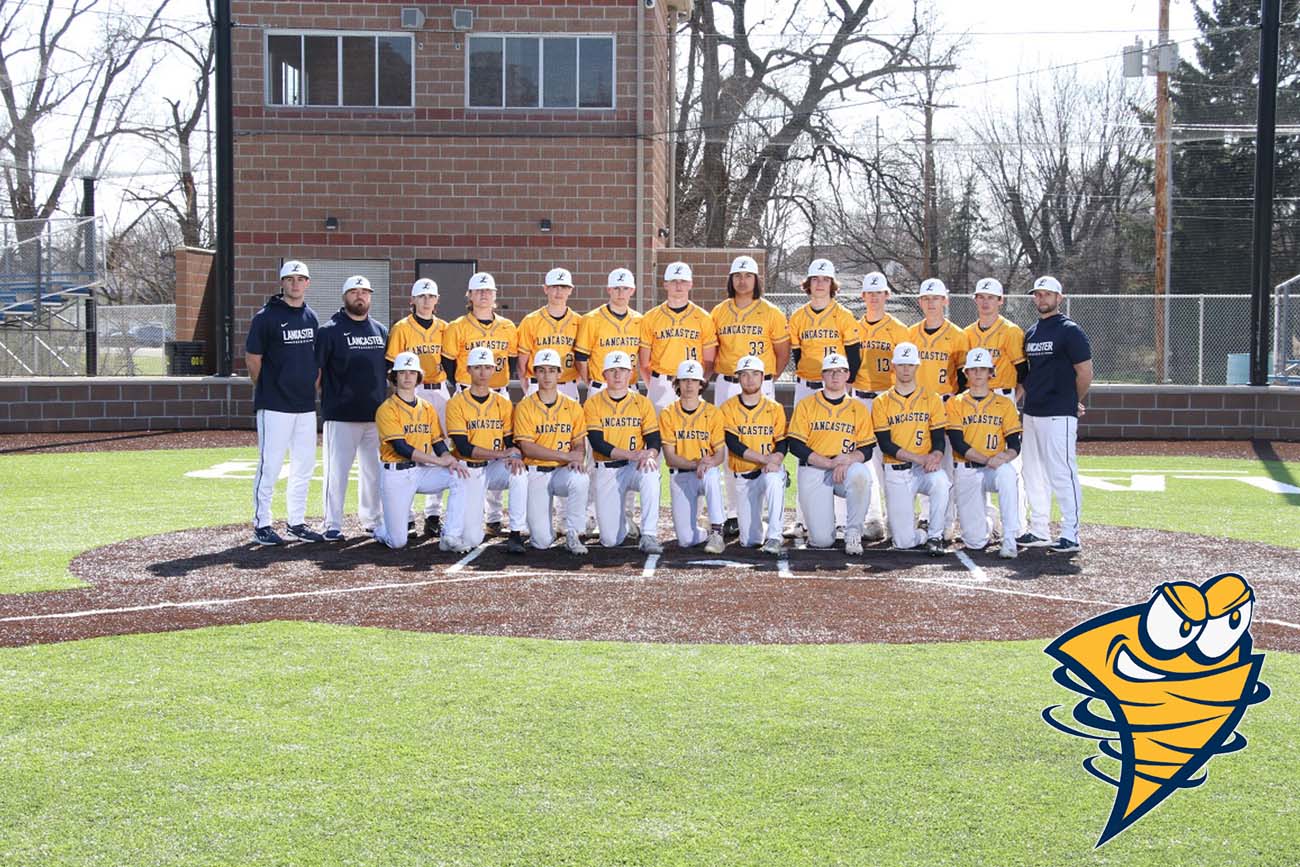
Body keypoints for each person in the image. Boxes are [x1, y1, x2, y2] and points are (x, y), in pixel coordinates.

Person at [710, 254, 789, 538]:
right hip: (727, 382)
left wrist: (766, 380)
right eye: (737, 276)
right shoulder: (719, 312)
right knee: (727, 446)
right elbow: (712, 351)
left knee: (763, 441)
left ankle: (766, 509)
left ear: (756, 280)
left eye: (748, 276)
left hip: (760, 384)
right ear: (730, 280)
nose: (742, 281)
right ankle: (734, 512)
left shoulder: (771, 312)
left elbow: (782, 354)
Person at [245, 259, 321, 546]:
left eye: (300, 279)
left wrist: (310, 388)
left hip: (304, 406)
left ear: (307, 283)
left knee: (304, 466)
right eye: (290, 279)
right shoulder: (265, 317)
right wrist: (268, 387)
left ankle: (296, 522)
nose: (295, 284)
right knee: (271, 466)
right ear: (282, 283)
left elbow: (315, 360)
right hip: (275, 404)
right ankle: (262, 524)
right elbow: (253, 359)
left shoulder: (311, 317)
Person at [1017, 275, 1093, 554]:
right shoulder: (1031, 333)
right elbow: (1029, 375)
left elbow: (1085, 372)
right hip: (1032, 413)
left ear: (1059, 298)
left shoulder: (1070, 330)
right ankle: (1039, 529)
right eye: (1038, 294)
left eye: (1047, 294)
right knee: (1033, 474)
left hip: (1058, 414)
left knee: (1062, 472)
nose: (1042, 298)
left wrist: (1073, 401)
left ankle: (1070, 534)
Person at [787, 258, 861, 538]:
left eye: (825, 279)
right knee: (805, 450)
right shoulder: (798, 316)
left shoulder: (843, 315)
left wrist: (842, 389)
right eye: (815, 279)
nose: (820, 284)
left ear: (832, 284)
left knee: (840, 447)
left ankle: (840, 520)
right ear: (808, 284)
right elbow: (798, 356)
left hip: (836, 387)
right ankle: (801, 519)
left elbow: (854, 358)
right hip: (807, 387)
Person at [441, 271, 518, 533]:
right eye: (479, 291)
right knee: (460, 451)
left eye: (488, 291)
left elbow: (512, 361)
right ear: (470, 295)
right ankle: (439, 512)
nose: (484, 295)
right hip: (467, 392)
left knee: (499, 449)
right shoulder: (457, 326)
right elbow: (448, 363)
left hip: (499, 393)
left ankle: (494, 516)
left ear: (495, 295)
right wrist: (463, 384)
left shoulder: (507, 326)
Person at [372, 352, 469, 551]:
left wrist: (448, 458)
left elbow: (437, 441)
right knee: (398, 542)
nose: (407, 376)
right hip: (396, 474)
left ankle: (450, 535)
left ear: (418, 377)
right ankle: (382, 530)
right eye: (402, 372)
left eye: (412, 372)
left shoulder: (427, 407)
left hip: (422, 471)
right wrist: (439, 462)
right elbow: (402, 448)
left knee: (459, 475)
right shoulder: (387, 409)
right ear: (395, 376)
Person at [316, 274, 388, 541]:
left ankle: (372, 520)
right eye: (354, 292)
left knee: (374, 473)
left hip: (375, 416)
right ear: (344, 296)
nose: (360, 296)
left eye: (365, 292)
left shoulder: (380, 330)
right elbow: (317, 373)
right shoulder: (329, 330)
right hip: (341, 415)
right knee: (336, 473)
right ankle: (332, 523)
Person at [786, 353, 876, 555]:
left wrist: (848, 459)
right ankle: (824, 529)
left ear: (848, 375)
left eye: (840, 371)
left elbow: (867, 449)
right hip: (814, 468)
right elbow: (796, 446)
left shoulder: (858, 408)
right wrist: (829, 463)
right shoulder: (806, 404)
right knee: (822, 541)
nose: (835, 375)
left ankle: (853, 532)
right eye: (830, 371)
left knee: (861, 474)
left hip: (844, 469)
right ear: (822, 376)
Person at [444, 347, 529, 553]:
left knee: (519, 472)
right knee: (472, 539)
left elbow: (509, 440)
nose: (483, 372)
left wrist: (515, 455)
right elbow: (464, 447)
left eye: (487, 367)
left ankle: (516, 533)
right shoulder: (456, 403)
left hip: (494, 467)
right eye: (477, 367)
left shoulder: (503, 402)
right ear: (468, 370)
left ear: (493, 370)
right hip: (469, 469)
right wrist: (502, 454)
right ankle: (450, 532)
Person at [963, 276, 1028, 540]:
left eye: (991, 297)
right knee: (978, 461)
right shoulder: (968, 333)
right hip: (974, 401)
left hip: (1002, 397)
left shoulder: (1011, 331)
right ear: (975, 300)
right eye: (981, 297)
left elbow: (1024, 372)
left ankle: (1018, 526)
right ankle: (986, 521)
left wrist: (1012, 399)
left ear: (1000, 301)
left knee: (1010, 465)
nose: (986, 302)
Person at [871, 342, 950, 556]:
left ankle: (935, 536)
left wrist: (936, 456)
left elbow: (939, 438)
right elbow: (886, 445)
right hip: (897, 470)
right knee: (903, 542)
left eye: (910, 365)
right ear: (893, 366)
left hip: (924, 470)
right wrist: (920, 458)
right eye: (901, 364)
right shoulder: (881, 402)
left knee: (941, 481)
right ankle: (921, 534)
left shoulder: (932, 398)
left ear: (917, 366)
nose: (906, 369)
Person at [386, 278, 451, 538]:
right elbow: (391, 366)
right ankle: (407, 515)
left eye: (431, 296)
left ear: (437, 300)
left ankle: (433, 515)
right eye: (421, 296)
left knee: (441, 445)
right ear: (412, 300)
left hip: (440, 389)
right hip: (413, 390)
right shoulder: (402, 328)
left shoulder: (445, 328)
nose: (426, 300)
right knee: (410, 445)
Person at [907, 277, 969, 540]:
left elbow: (964, 379)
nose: (931, 303)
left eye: (936, 298)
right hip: (916, 408)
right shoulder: (910, 334)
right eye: (926, 298)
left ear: (945, 301)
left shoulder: (958, 335)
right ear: (920, 302)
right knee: (921, 463)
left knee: (945, 466)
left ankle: (946, 520)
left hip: (945, 406)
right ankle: (925, 516)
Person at [946, 348, 1022, 559]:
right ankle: (989, 521)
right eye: (973, 369)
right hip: (968, 468)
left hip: (994, 470)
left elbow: (1015, 444)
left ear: (991, 372)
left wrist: (1004, 457)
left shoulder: (1004, 404)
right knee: (975, 542)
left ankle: (1009, 539)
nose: (978, 373)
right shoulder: (955, 403)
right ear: (966, 373)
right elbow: (958, 444)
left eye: (983, 369)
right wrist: (989, 459)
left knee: (1008, 474)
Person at [584, 350, 663, 553]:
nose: (618, 375)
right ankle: (624, 523)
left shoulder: (642, 402)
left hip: (634, 467)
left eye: (623, 370)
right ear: (604, 375)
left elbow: (654, 439)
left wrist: (650, 454)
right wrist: (631, 454)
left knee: (651, 472)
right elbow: (597, 443)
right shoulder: (593, 403)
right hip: (607, 469)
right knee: (610, 540)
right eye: (612, 370)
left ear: (630, 374)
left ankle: (649, 534)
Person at [512, 349, 590, 554]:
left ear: (559, 373)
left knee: (580, 478)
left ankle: (574, 533)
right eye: (542, 370)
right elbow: (527, 447)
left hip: (563, 472)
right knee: (541, 542)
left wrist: (577, 457)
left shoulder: (572, 405)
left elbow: (579, 443)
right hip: (536, 472)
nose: (547, 376)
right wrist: (566, 456)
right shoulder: (525, 406)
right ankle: (545, 531)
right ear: (535, 373)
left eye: (552, 370)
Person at [853, 270, 909, 543]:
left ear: (887, 295)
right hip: (860, 398)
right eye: (870, 293)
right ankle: (873, 518)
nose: (874, 298)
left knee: (891, 459)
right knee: (865, 460)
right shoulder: (854, 327)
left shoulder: (899, 329)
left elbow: (907, 370)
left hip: (888, 399)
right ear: (863, 296)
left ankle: (895, 517)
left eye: (879, 293)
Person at [719, 355, 788, 555]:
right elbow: (733, 444)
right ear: (738, 378)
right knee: (750, 541)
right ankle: (761, 527)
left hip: (768, 471)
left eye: (755, 374)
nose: (750, 379)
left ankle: (775, 537)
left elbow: (782, 442)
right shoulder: (728, 407)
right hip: (745, 475)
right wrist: (765, 458)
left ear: (763, 377)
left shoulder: (775, 408)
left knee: (775, 479)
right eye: (745, 375)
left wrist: (776, 460)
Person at [659, 359, 726, 553]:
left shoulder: (713, 412)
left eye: (694, 380)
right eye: (685, 380)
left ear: (701, 384)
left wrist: (709, 462)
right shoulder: (668, 413)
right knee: (686, 540)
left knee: (712, 473)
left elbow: (720, 454)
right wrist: (697, 463)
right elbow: (669, 458)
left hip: (704, 474)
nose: (689, 385)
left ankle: (717, 532)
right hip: (681, 476)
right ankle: (704, 531)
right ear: (677, 383)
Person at [639, 260, 718, 411]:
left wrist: (699, 385)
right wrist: (654, 386)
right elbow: (643, 363)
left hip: (691, 381)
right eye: (674, 281)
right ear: (665, 284)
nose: (678, 285)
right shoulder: (650, 317)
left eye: (683, 281)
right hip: (661, 382)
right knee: (658, 425)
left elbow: (709, 362)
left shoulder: (703, 318)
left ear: (691, 284)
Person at [516, 268, 582, 401]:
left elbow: (582, 360)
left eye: (564, 287)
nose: (559, 292)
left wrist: (574, 383)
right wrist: (526, 387)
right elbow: (522, 361)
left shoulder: (579, 322)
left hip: (568, 384)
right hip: (537, 384)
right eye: (554, 287)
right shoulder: (531, 321)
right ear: (546, 289)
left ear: (570, 290)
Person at [574, 267, 643, 394]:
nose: (621, 293)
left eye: (625, 288)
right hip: (601, 385)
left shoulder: (639, 320)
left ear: (632, 291)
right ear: (609, 290)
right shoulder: (591, 319)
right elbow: (580, 358)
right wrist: (589, 382)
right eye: (616, 288)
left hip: (630, 386)